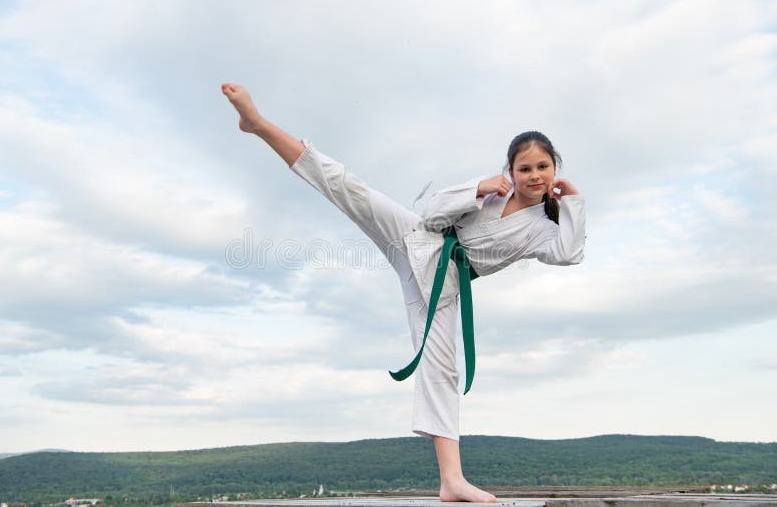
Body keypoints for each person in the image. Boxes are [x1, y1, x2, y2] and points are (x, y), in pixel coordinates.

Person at [221, 82, 586, 503]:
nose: (534, 176)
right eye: (525, 168)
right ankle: (259, 124)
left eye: (543, 167)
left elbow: (570, 253)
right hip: (415, 238)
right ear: (512, 170)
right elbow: (431, 215)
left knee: (441, 369)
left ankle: (451, 481)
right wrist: (477, 189)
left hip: (441, 285)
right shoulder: (491, 192)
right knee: (347, 186)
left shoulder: (544, 226)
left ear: (554, 169)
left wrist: (574, 204)